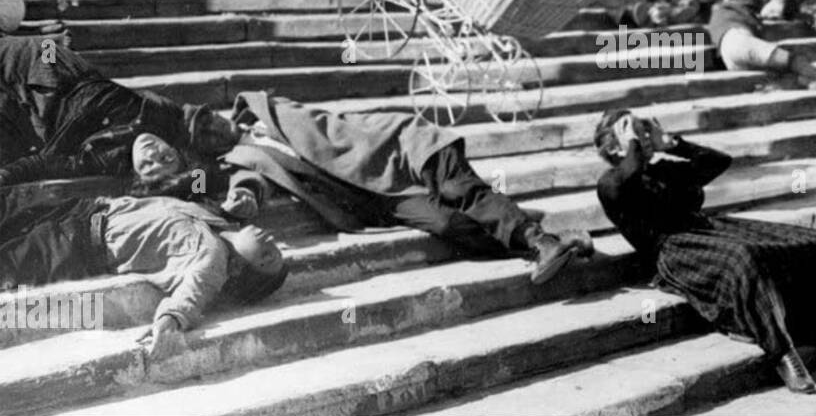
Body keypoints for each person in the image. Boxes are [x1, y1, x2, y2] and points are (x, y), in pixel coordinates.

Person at [593, 110, 816, 394]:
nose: (644, 137)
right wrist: (633, 143)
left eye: (644, 131)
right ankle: (783, 354)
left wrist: (671, 144)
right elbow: (626, 180)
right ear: (613, 147)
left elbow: (718, 162)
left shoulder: (662, 169)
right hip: (675, 249)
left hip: (710, 229)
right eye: (634, 133)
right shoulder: (611, 184)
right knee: (743, 258)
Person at [138, 91, 595, 286]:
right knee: (447, 221)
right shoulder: (239, 160)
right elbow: (249, 181)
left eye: (209, 117)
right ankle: (550, 239)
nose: (213, 127)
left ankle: (539, 242)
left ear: (220, 111)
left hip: (402, 145)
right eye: (204, 133)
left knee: (460, 191)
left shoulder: (268, 109)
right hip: (381, 198)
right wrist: (244, 199)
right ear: (203, 147)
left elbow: (339, 132)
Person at [0, 192, 287, 356]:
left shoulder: (212, 258)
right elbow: (198, 180)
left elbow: (196, 291)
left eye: (267, 256)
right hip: (86, 208)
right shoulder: (216, 218)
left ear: (237, 268)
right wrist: (233, 198)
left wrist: (172, 318)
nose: (270, 240)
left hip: (77, 246)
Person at [0, 36, 207, 180]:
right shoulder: (164, 118)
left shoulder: (104, 161)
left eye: (149, 167)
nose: (152, 154)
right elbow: (202, 176)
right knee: (30, 48)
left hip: (40, 99)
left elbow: (43, 164)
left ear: (139, 177)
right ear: (175, 149)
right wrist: (199, 190)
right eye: (166, 157)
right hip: (63, 68)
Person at [706, 0, 816, 111]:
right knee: (792, 61)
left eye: (775, 16)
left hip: (732, 55)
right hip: (738, 41)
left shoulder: (745, 11)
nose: (771, 17)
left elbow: (807, 13)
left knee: (781, 75)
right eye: (773, 10)